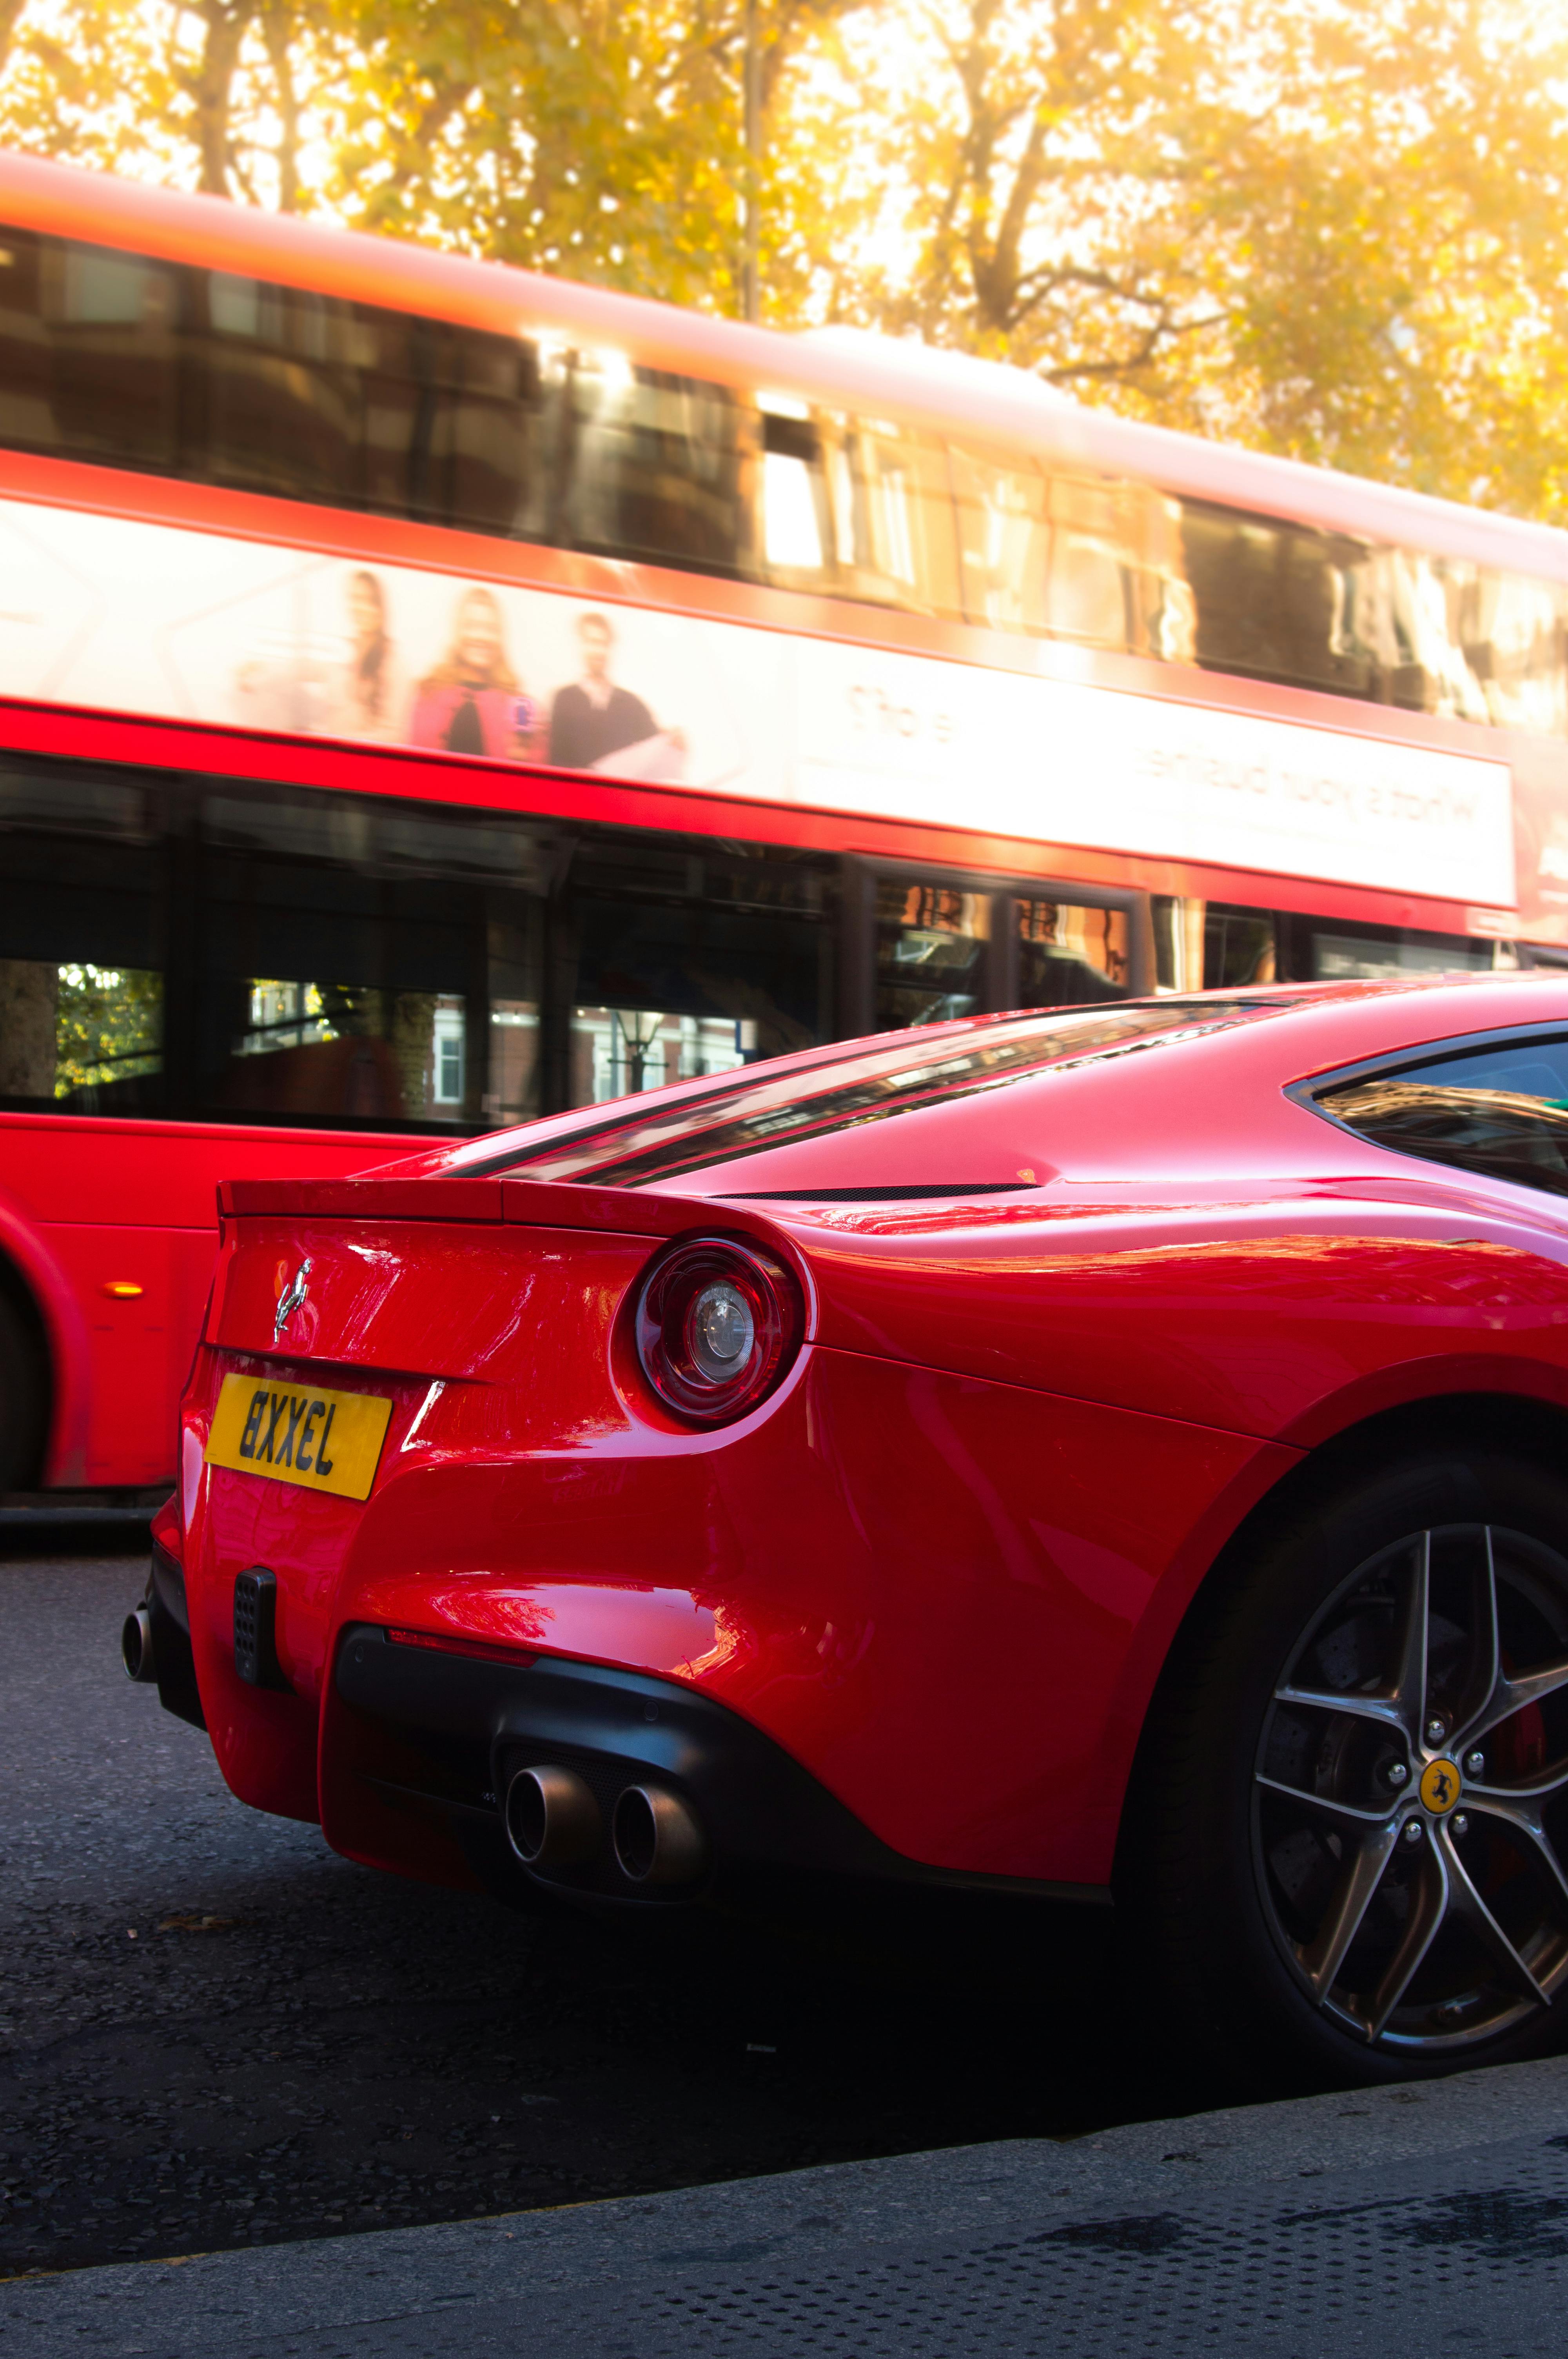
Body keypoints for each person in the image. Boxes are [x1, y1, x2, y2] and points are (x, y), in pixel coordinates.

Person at [548, 611, 681, 772]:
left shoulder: (632, 704)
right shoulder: (564, 699)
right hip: (578, 794)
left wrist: (672, 741)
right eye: (592, 642)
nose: (598, 651)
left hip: (620, 796)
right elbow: (556, 761)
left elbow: (655, 752)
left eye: (604, 644)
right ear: (581, 645)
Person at [408, 587, 534, 758]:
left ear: (500, 637)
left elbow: (527, 770)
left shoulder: (521, 704)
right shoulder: (429, 692)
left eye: (491, 629)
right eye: (472, 626)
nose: (481, 636)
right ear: (457, 631)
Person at [320, 569, 408, 743]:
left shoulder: (394, 664)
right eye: (353, 599)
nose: (358, 607)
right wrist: (260, 666)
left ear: (380, 608)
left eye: (366, 600)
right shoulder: (341, 651)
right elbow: (303, 666)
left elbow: (394, 735)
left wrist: (338, 741)